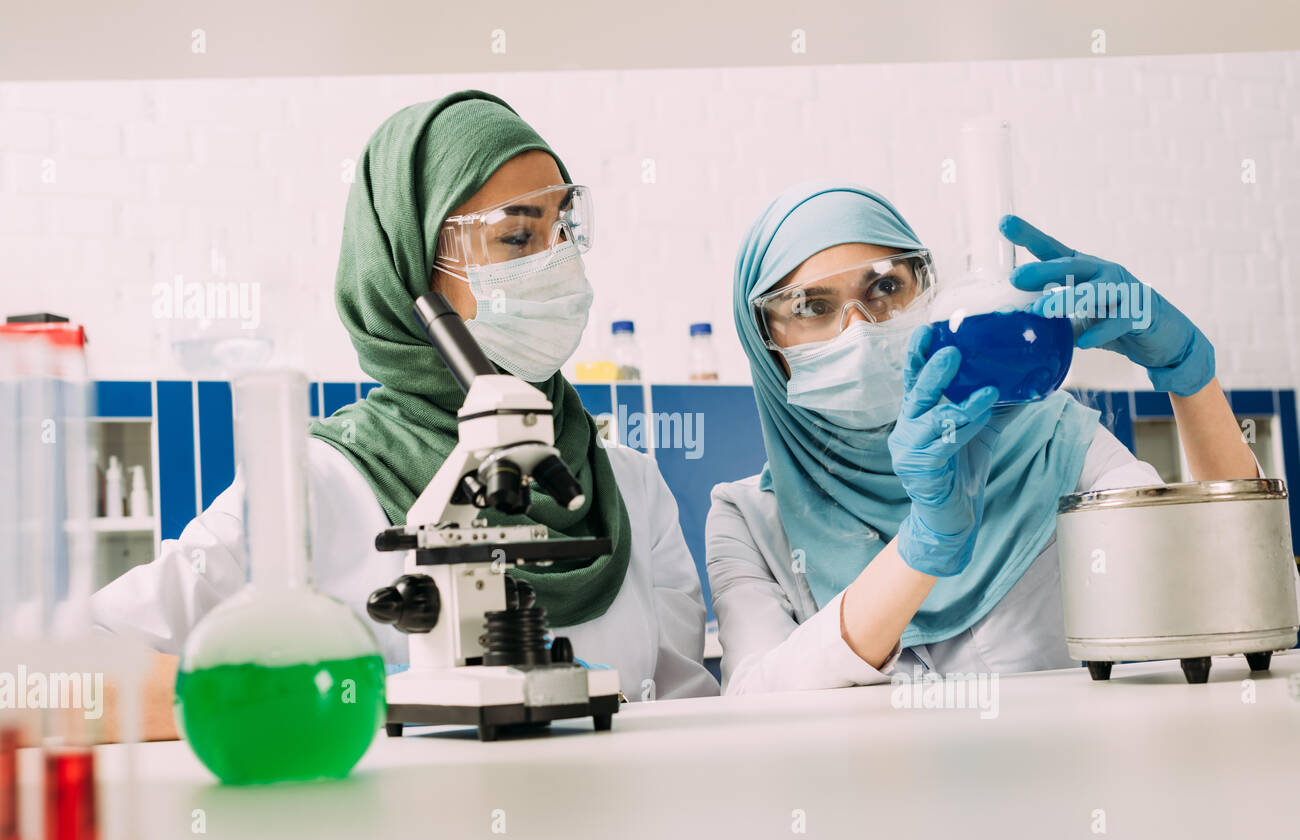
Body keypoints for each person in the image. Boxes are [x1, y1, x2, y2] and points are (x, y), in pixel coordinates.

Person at [93, 91, 718, 738]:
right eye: (518, 236)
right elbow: (77, 666)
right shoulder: (310, 487)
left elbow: (689, 720)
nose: (557, 262)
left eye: (564, 228)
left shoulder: (632, 486)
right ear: (411, 275)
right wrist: (313, 699)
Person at [707, 180, 1281, 694]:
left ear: (924, 289)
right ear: (764, 341)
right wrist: (921, 546)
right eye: (811, 306)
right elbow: (756, 701)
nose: (859, 330)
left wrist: (1193, 380)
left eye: (884, 287)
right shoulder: (750, 518)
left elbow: (1228, 603)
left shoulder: (1056, 439)